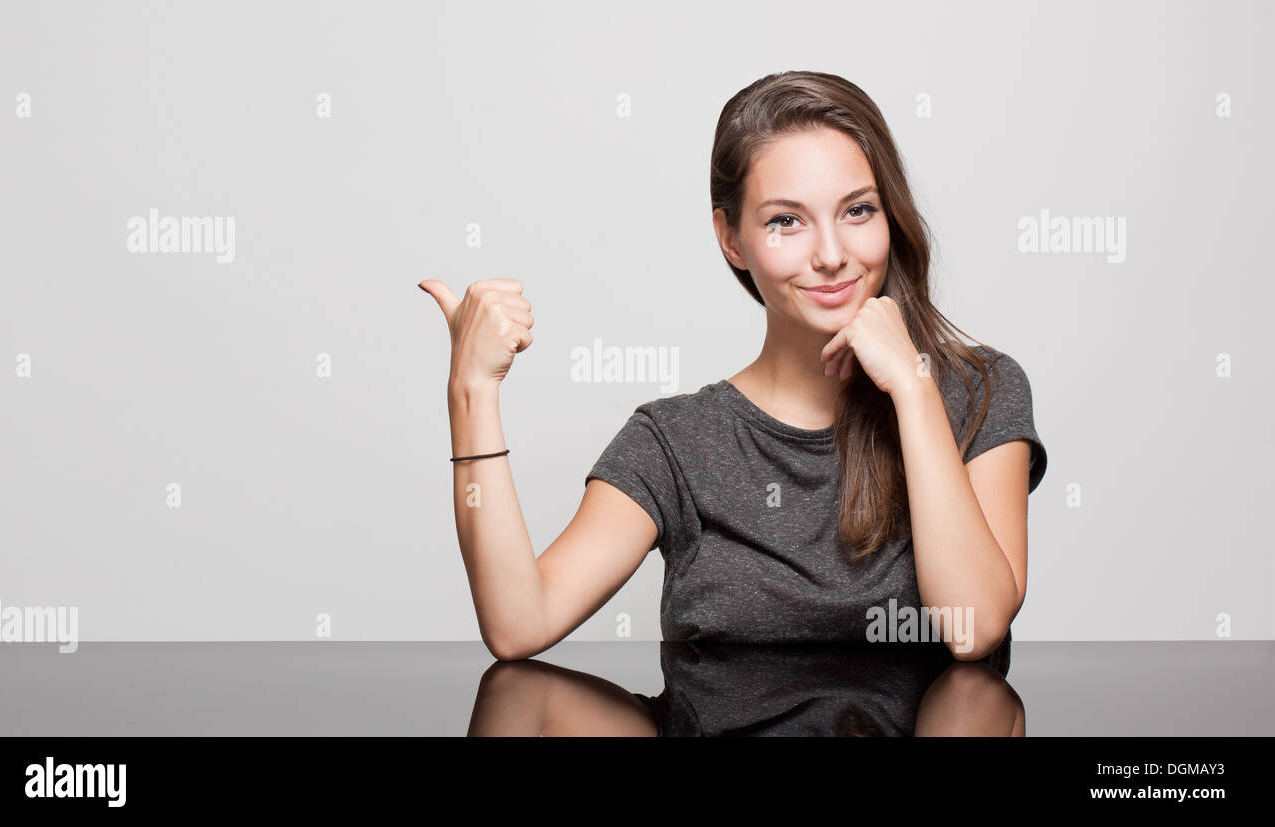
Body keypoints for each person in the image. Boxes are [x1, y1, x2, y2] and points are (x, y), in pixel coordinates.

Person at [419, 70, 1047, 662]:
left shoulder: (980, 391)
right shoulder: (677, 443)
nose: (831, 254)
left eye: (858, 210)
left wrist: (913, 388)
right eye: (786, 221)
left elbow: (974, 625)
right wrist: (472, 390)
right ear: (731, 239)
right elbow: (519, 622)